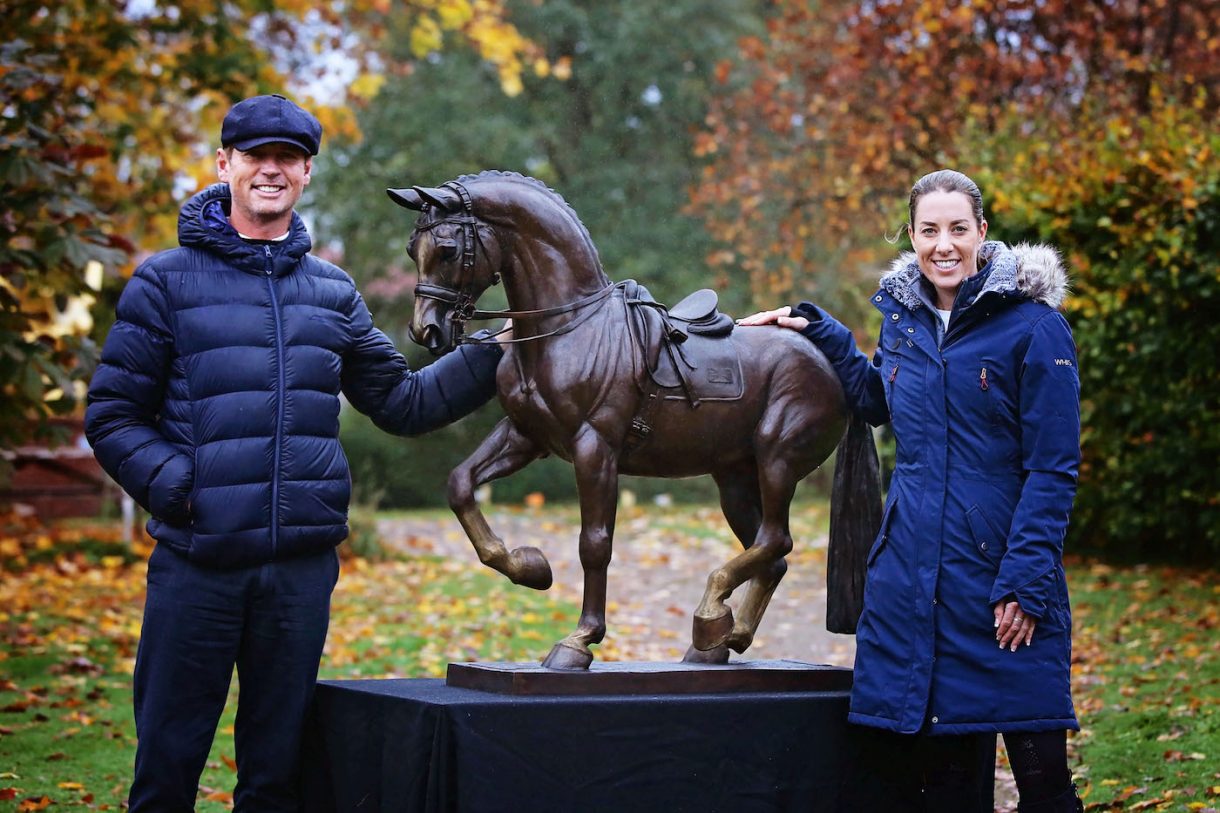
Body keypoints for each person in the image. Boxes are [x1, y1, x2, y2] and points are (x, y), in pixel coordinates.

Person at [84, 94, 506, 812]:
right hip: (197, 566)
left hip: (298, 575)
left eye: (287, 158)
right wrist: (181, 486)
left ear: (306, 172)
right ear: (225, 165)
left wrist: (497, 351)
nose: (271, 170)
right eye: (255, 156)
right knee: (166, 769)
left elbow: (402, 401)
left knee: (276, 776)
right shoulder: (166, 280)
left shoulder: (332, 292)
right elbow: (114, 414)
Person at [739, 169, 1082, 812]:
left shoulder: (1034, 327)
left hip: (1000, 583)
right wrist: (822, 333)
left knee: (1043, 783)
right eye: (929, 230)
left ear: (982, 233)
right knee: (946, 782)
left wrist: (1026, 581)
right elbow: (876, 401)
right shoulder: (903, 320)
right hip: (914, 579)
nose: (943, 244)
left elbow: (1054, 467)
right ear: (913, 236)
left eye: (958, 229)